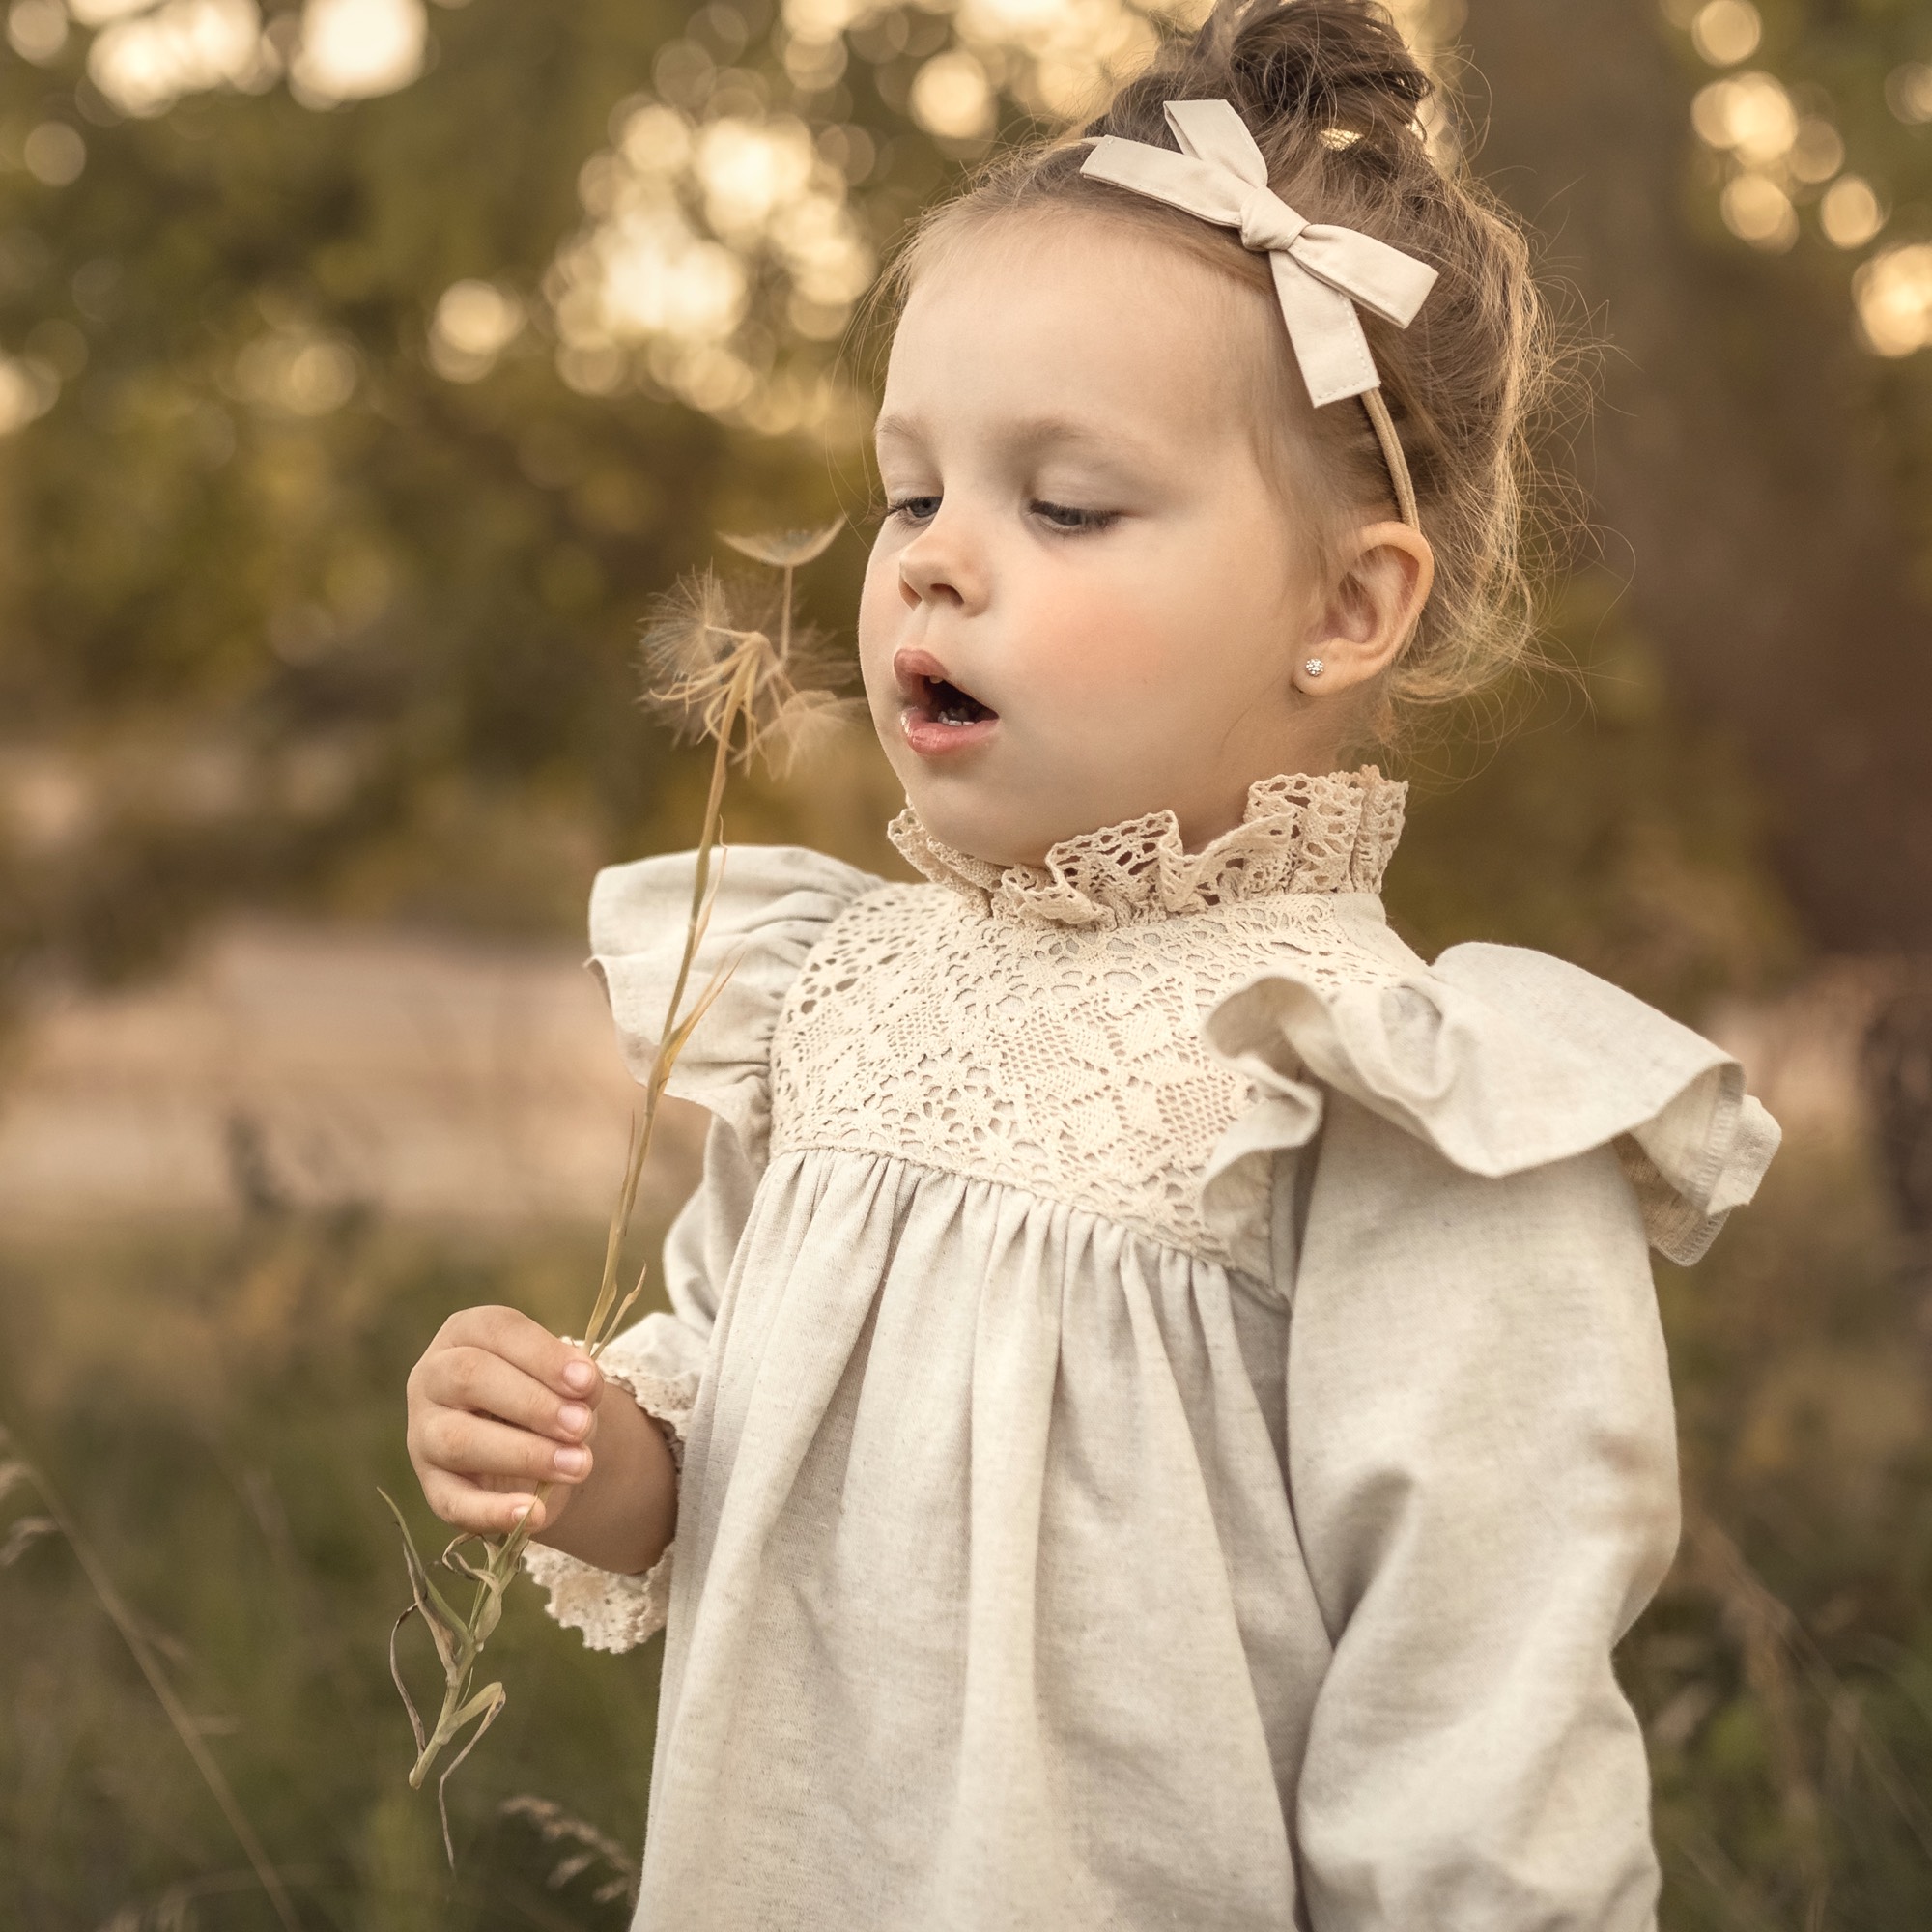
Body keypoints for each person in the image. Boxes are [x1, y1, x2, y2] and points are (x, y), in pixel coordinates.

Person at [404, 3, 1780, 1923]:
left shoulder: (1388, 1096)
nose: (935, 562)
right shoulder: (837, 993)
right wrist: (581, 1444)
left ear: (1346, 602)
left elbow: (1480, 1766)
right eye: (912, 492)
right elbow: (716, 1459)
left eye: (1061, 503)